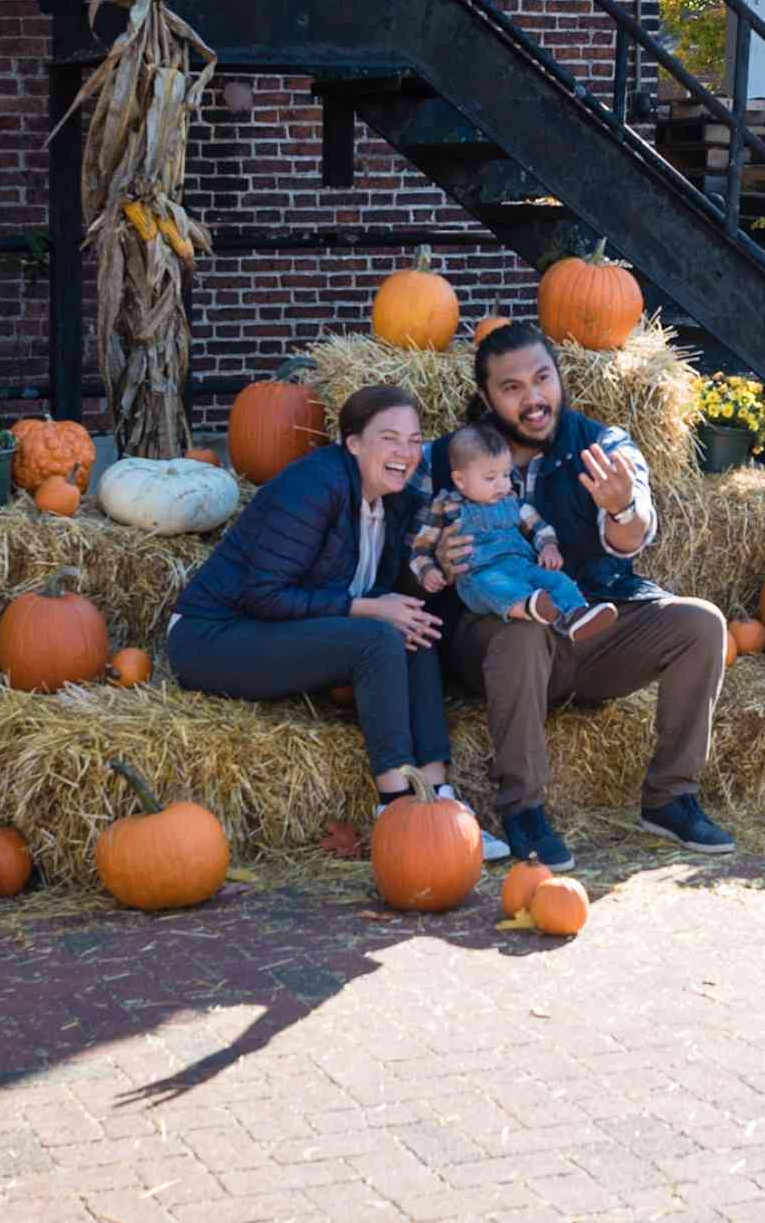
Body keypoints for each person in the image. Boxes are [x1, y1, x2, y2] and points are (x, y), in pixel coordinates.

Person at [414, 321, 733, 871]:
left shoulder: (604, 447)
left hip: (591, 625)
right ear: (486, 397)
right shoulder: (442, 461)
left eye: (543, 379)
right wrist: (434, 562)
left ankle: (670, 798)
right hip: (497, 636)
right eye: (512, 388)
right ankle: (524, 809)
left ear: (559, 378)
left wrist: (621, 506)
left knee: (702, 624)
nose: (534, 398)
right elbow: (397, 554)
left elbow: (634, 536)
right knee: (523, 633)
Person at [168, 384, 510, 861]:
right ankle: (396, 807)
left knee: (415, 627)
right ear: (353, 443)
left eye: (414, 441)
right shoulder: (315, 486)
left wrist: (431, 576)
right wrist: (368, 608)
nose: (406, 453)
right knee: (378, 636)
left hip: (283, 631)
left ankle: (439, 800)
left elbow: (388, 587)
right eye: (390, 439)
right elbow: (264, 594)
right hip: (212, 636)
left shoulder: (395, 500)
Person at [408, 418, 619, 641]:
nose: (502, 484)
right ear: (460, 480)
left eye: (506, 474)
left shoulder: (512, 501)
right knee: (492, 585)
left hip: (522, 566)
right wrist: (427, 571)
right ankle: (528, 607)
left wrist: (549, 546)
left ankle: (576, 614)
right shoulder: (446, 506)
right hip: (480, 574)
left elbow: (539, 527)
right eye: (490, 478)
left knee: (555, 578)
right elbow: (421, 547)